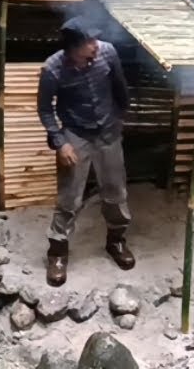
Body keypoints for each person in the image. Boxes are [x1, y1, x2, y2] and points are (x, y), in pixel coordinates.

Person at [36, 16, 136, 286]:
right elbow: (45, 109)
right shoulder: (53, 69)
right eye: (89, 41)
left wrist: (120, 117)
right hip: (75, 134)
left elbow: (120, 88)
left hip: (108, 132)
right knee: (69, 197)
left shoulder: (108, 53)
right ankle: (57, 253)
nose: (96, 45)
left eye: (95, 39)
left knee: (116, 192)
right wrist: (61, 142)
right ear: (73, 47)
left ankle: (116, 242)